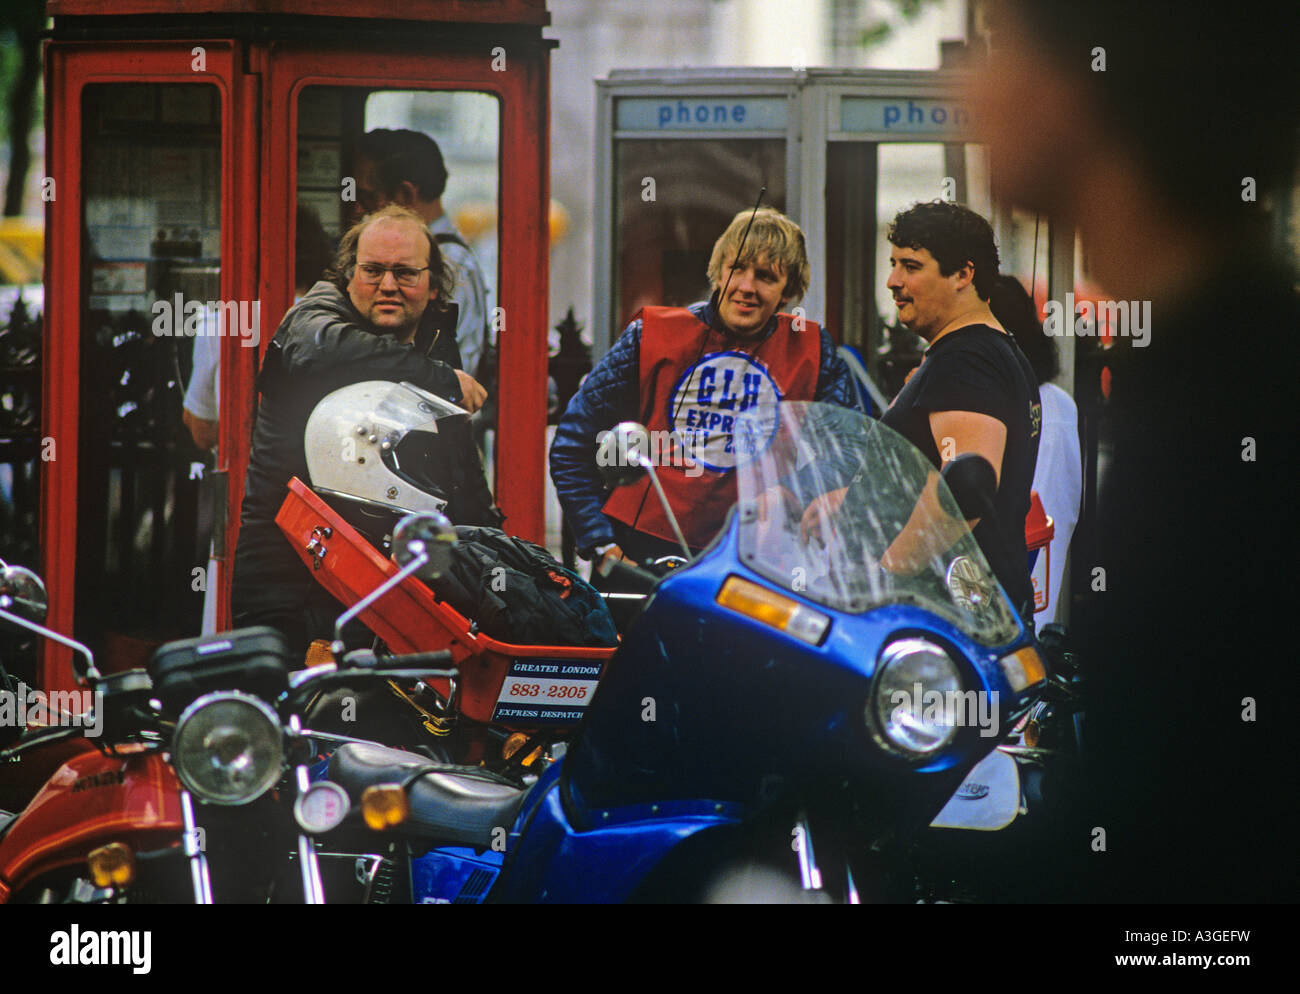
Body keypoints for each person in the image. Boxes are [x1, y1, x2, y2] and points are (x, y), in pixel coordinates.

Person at [968, 0, 1299, 901]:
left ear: (1080, 90)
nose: (970, 84)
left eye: (998, 48)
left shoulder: (1233, 399)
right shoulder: (1210, 357)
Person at [230, 205, 491, 655]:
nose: (388, 285)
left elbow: (458, 463)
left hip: (388, 584)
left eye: (405, 273)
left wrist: (492, 549)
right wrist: (443, 379)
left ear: (433, 287)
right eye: (372, 270)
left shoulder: (433, 340)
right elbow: (317, 349)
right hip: (297, 585)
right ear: (348, 276)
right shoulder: (315, 317)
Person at [550, 207, 859, 570]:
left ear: (787, 291)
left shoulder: (812, 348)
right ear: (718, 271)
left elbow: (849, 449)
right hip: (642, 556)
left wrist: (791, 491)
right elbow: (572, 445)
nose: (746, 287)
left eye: (765, 277)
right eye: (736, 269)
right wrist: (602, 546)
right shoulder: (650, 335)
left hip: (755, 560)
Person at [827, 201, 1041, 623]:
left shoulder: (967, 359)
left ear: (963, 274)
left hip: (938, 623)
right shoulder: (985, 350)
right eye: (893, 265)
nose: (892, 281)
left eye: (911, 266)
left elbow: (968, 488)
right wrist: (846, 500)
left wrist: (886, 578)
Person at [354, 129, 492, 382]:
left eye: (369, 196)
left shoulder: (451, 263)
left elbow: (454, 373)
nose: (359, 208)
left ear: (405, 195)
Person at [989, 274, 1080, 626]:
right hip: (1035, 592)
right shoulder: (1060, 404)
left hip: (1014, 601)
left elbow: (1031, 507)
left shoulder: (1022, 407)